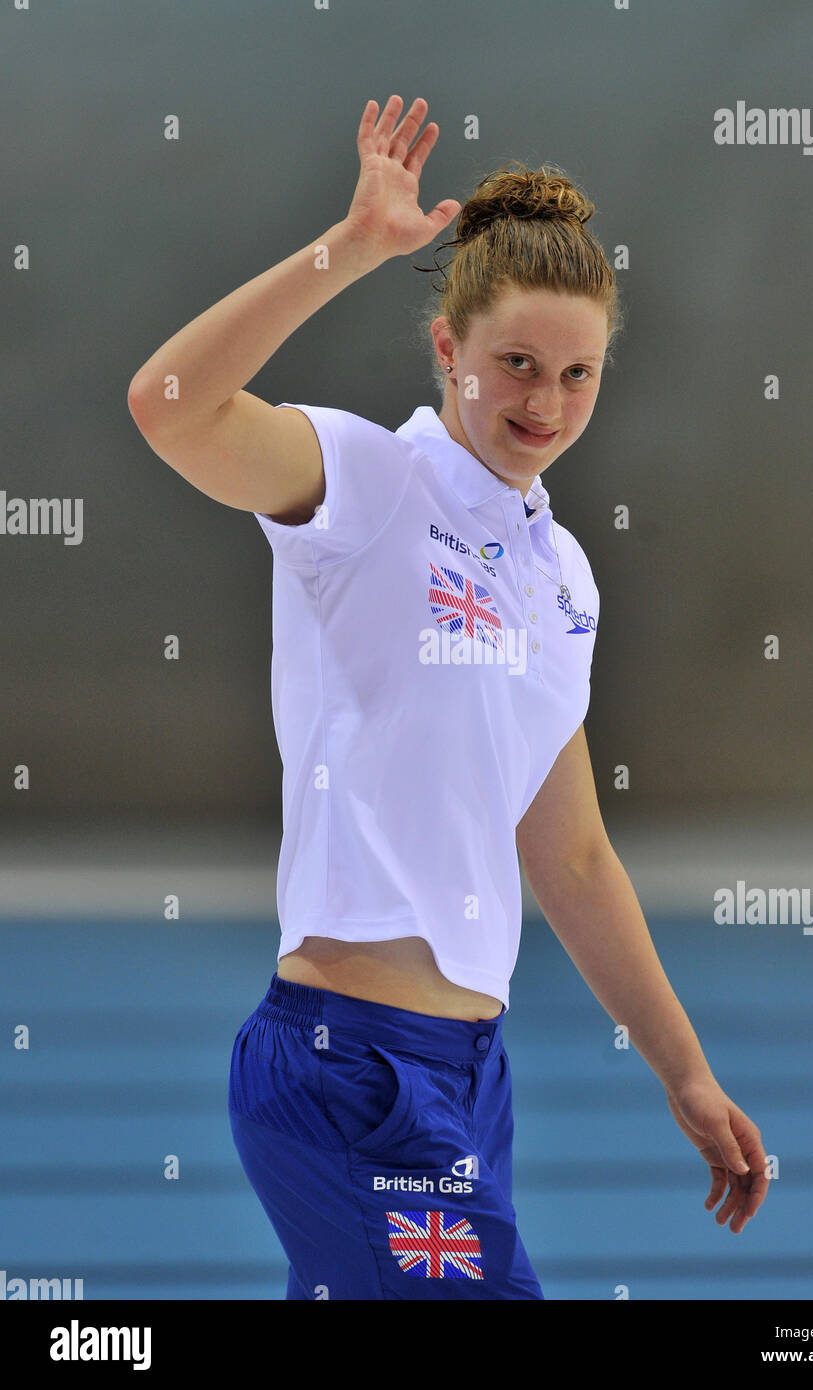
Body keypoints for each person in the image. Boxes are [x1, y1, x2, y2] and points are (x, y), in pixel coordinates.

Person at [127, 94, 769, 1300]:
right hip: (347, 1068)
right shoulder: (366, 483)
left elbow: (571, 853)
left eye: (578, 373)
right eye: (515, 363)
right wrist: (349, 249)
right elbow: (168, 410)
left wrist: (681, 1071)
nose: (545, 400)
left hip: (470, 1070)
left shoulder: (559, 576)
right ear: (446, 351)